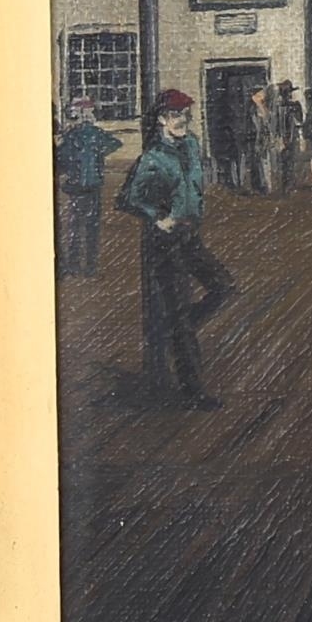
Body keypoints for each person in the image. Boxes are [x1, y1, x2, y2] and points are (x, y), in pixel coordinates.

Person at [115, 89, 233, 409]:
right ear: (162, 120)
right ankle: (194, 390)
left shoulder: (192, 145)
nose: (182, 121)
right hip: (165, 242)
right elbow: (128, 198)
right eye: (176, 116)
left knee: (224, 286)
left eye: (185, 116)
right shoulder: (152, 159)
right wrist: (158, 217)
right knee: (180, 316)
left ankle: (174, 330)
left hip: (190, 234)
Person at [54, 96, 122, 278]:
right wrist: (97, 154)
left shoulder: (72, 135)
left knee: (75, 226)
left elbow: (61, 158)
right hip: (93, 186)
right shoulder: (96, 133)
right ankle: (90, 266)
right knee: (92, 227)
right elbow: (116, 143)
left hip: (77, 187)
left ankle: (75, 265)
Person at [246, 80, 277, 195]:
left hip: (264, 139)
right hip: (255, 139)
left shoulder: (265, 108)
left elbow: (269, 123)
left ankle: (267, 185)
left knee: (266, 162)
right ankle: (259, 186)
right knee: (256, 163)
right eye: (259, 94)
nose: (262, 96)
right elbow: (251, 125)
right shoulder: (252, 110)